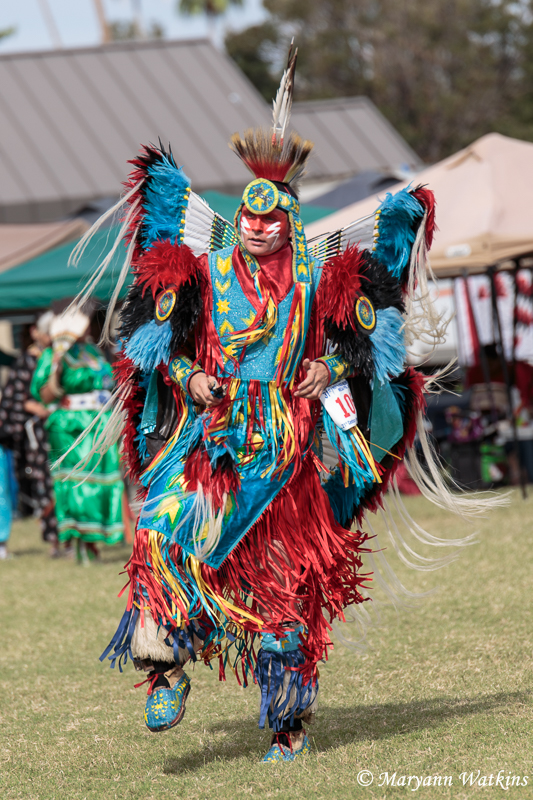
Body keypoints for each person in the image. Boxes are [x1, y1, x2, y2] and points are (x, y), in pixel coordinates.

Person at [91, 50, 497, 761]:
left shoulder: (318, 274)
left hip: (290, 453)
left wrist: (327, 367)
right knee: (160, 535)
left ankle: (288, 721)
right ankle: (164, 667)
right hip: (212, 442)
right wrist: (189, 376)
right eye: (247, 216)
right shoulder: (205, 270)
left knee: (285, 584)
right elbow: (159, 343)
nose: (256, 227)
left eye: (270, 217)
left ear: (289, 220)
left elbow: (370, 347)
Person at [31, 303, 124, 562]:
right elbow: (45, 395)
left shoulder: (93, 351)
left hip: (99, 423)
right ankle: (83, 545)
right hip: (72, 427)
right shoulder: (54, 354)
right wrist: (56, 368)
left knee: (102, 481)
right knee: (80, 483)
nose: (88, 327)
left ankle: (93, 540)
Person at [0, 311, 58, 556]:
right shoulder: (27, 361)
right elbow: (15, 398)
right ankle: (55, 539)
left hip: (62, 428)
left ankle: (71, 537)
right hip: (37, 434)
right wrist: (37, 407)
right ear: (37, 333)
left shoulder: (58, 357)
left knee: (62, 481)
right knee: (44, 483)